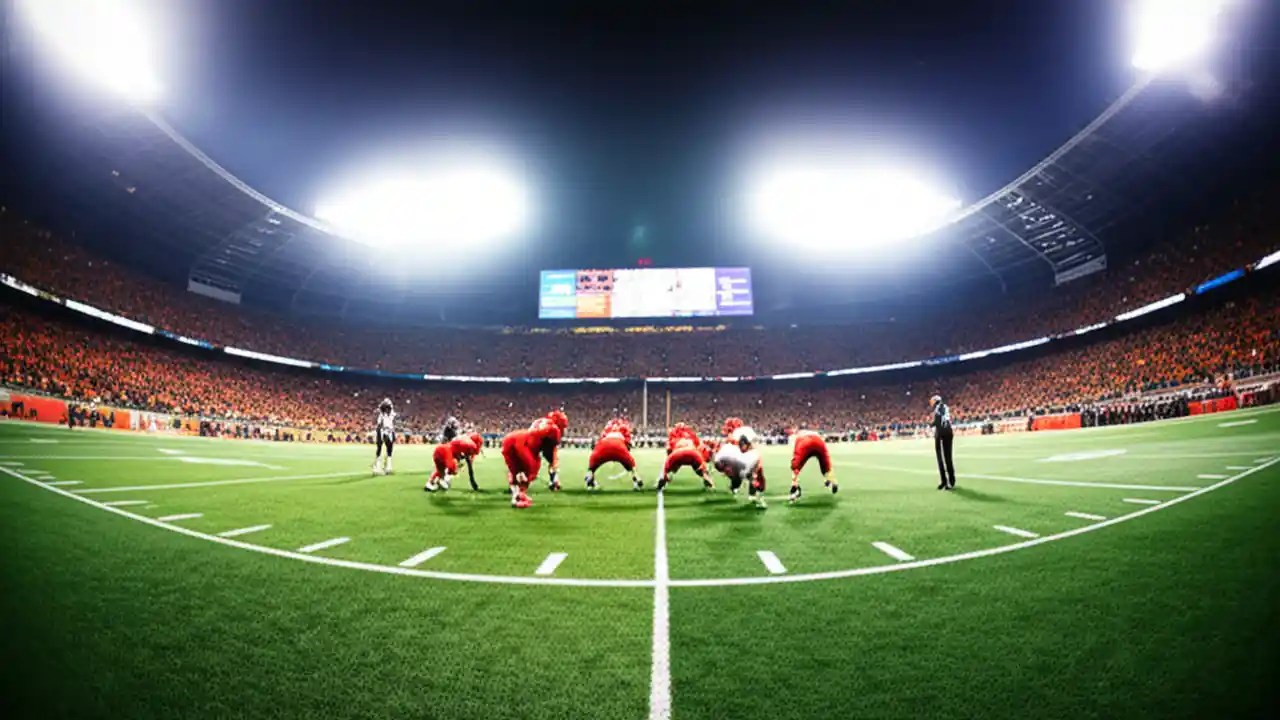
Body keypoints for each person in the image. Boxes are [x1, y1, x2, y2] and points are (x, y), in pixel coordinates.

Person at [713, 425, 766, 507]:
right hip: (737, 463)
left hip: (736, 463)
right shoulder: (732, 449)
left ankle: (748, 494)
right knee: (749, 477)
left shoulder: (730, 447)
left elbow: (717, 461)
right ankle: (752, 496)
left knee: (743, 478)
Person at [585, 417, 642, 491]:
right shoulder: (624, 427)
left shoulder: (607, 428)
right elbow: (628, 445)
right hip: (618, 445)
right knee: (632, 466)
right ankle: (636, 480)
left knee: (592, 467)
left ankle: (590, 479)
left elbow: (599, 441)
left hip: (603, 445)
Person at [656, 422, 713, 492]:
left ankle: (665, 478)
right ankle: (705, 476)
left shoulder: (673, 435)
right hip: (693, 452)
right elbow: (700, 447)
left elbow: (668, 449)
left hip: (678, 452)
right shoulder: (691, 434)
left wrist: (672, 465)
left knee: (669, 470)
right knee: (700, 468)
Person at [788, 428, 838, 503]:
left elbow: (796, 452)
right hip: (819, 442)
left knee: (796, 466)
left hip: (804, 442)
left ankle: (795, 486)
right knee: (826, 466)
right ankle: (832, 481)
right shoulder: (815, 433)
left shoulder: (797, 435)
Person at [529, 409, 569, 491]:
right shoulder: (554, 428)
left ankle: (515, 482)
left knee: (525, 463)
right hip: (543, 440)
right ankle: (553, 480)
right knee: (553, 461)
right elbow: (554, 452)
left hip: (529, 440)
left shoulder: (539, 421)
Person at [930, 394, 956, 490]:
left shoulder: (938, 407)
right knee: (948, 458)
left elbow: (938, 421)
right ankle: (950, 481)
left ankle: (945, 481)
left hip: (941, 434)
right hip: (948, 432)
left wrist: (930, 424)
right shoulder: (945, 406)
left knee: (942, 459)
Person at [372, 398, 396, 475]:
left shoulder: (391, 414)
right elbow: (379, 424)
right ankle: (377, 465)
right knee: (379, 447)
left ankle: (388, 465)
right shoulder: (381, 415)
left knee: (390, 448)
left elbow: (392, 421)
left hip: (389, 430)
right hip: (382, 430)